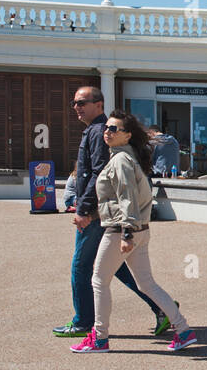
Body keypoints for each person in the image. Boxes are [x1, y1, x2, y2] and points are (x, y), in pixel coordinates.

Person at [74, 111, 195, 352]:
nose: (107, 132)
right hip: (137, 229)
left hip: (121, 229)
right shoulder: (126, 158)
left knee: (99, 280)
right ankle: (183, 330)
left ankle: (99, 338)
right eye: (107, 128)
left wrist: (126, 233)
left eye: (114, 129)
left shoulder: (120, 160)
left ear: (127, 136)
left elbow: (126, 197)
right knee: (146, 283)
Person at [54, 86, 168, 340]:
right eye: (74, 103)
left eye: (82, 102)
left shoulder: (98, 132)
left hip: (98, 214)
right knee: (117, 268)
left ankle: (84, 322)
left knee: (82, 267)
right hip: (104, 213)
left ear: (99, 104)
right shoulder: (100, 132)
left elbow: (96, 173)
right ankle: (162, 308)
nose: (77, 107)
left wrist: (84, 209)